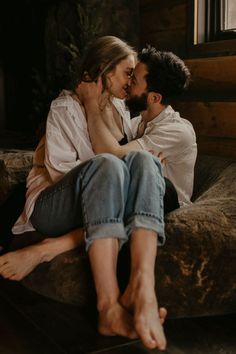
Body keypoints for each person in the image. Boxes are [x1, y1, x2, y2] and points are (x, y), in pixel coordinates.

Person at [0, 36, 169, 350]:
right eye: (127, 72)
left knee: (144, 162)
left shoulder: (119, 109)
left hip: (97, 204)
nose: (132, 82)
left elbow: (128, 163)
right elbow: (60, 171)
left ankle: (142, 285)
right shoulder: (65, 106)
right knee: (110, 165)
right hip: (52, 205)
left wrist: (138, 162)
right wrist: (115, 163)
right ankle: (107, 306)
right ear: (103, 71)